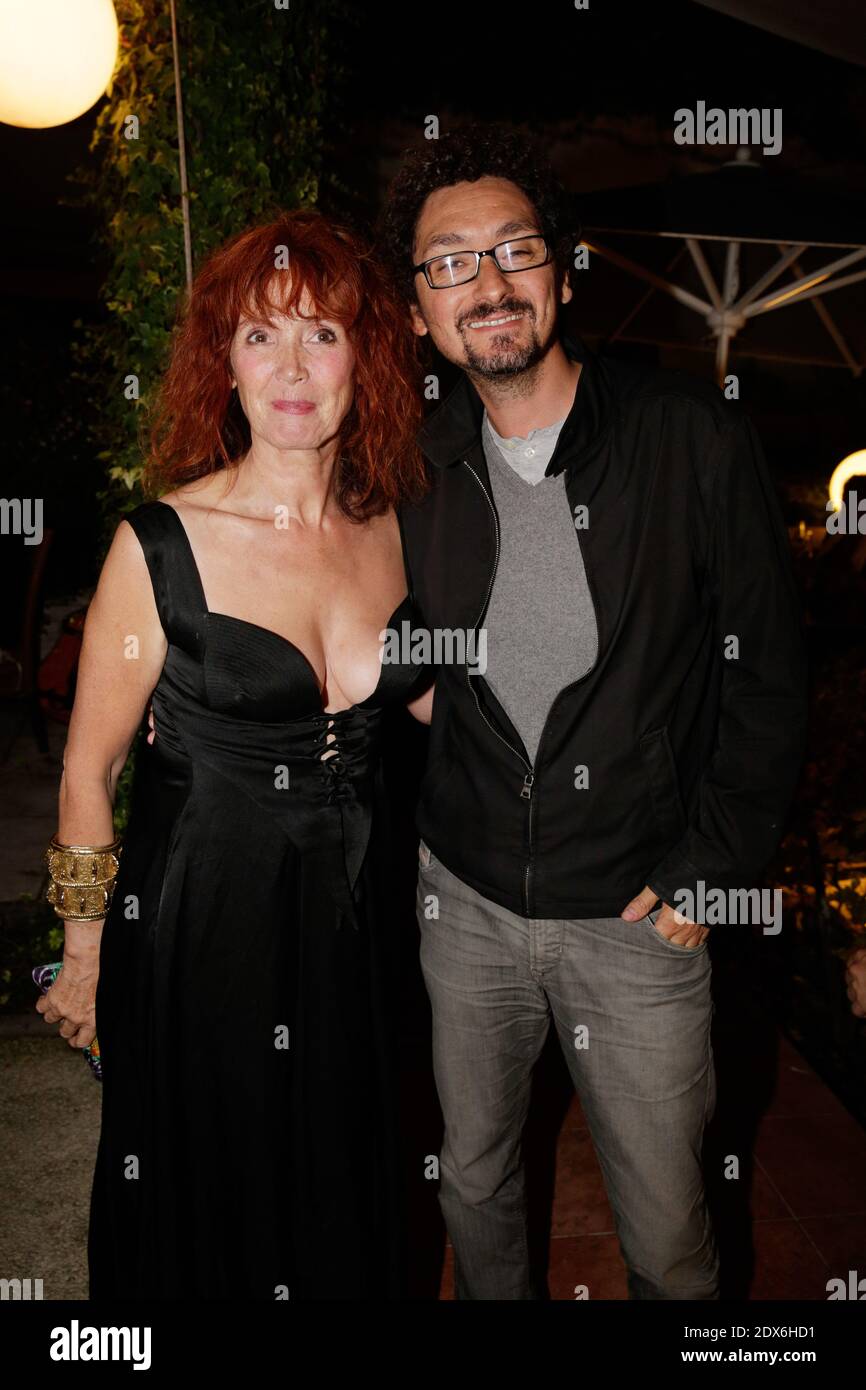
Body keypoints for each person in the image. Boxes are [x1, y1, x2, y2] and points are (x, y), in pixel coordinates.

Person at [381, 124, 809, 1300]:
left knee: (669, 1234)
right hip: (462, 901)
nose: (487, 282)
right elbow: (359, 632)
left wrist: (709, 863)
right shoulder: (411, 470)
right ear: (418, 313)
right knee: (471, 1185)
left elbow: (767, 677)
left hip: (634, 912)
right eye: (449, 262)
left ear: (563, 270)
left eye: (513, 248)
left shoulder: (689, 441)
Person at [36, 210, 433, 1300]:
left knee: (341, 1187)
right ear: (226, 362)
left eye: (320, 333)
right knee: (206, 1199)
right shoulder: (157, 543)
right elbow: (87, 771)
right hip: (200, 930)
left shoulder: (405, 529)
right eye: (260, 337)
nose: (291, 367)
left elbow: (460, 714)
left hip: (359, 940)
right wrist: (80, 955)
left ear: (369, 355)